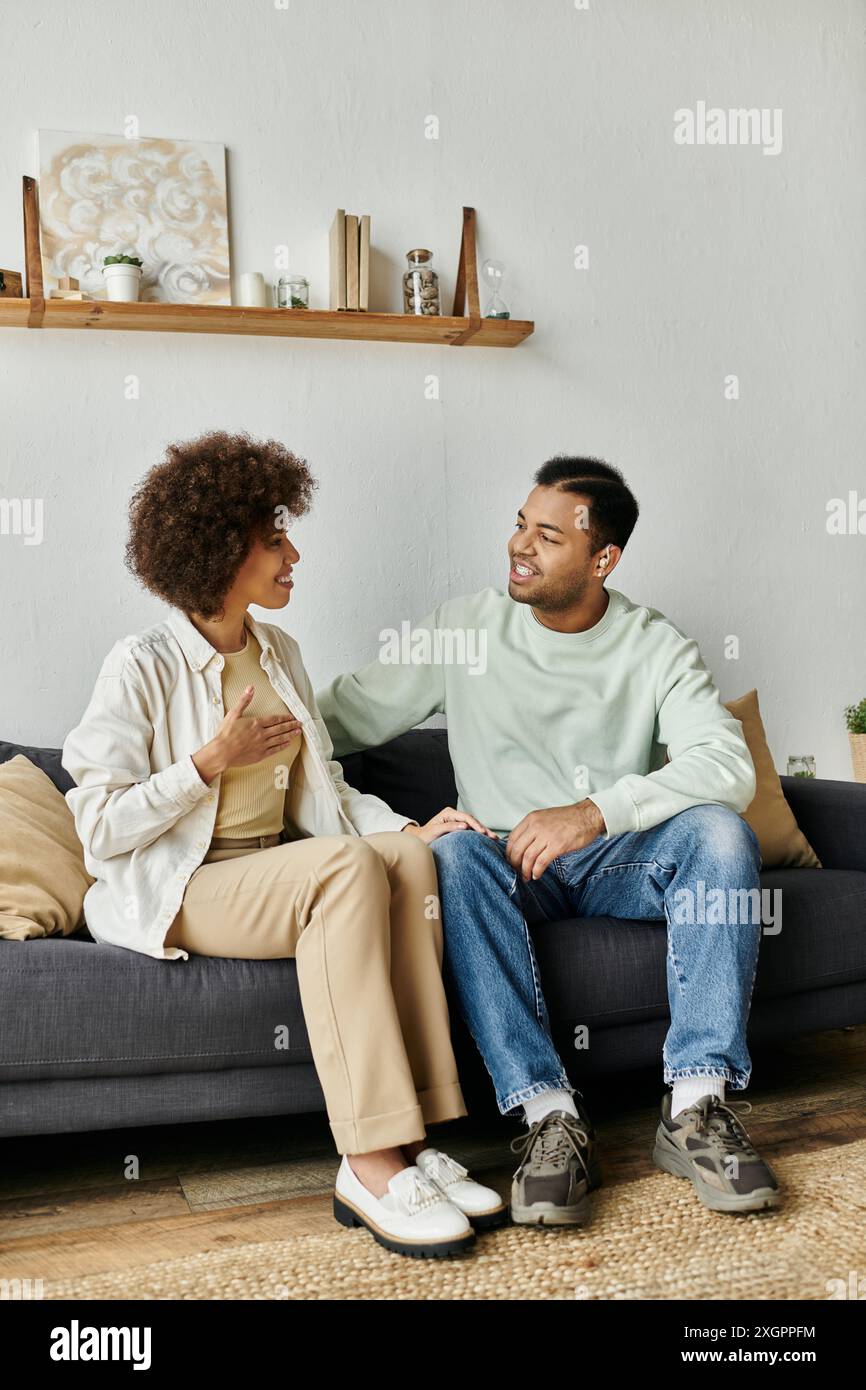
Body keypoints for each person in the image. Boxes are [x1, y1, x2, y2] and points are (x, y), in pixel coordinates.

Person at [61, 430, 506, 1260]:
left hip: (272, 869)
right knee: (342, 870)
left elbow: (327, 790)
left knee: (409, 861)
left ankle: (415, 1144)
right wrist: (206, 764)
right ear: (223, 551)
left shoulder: (280, 654)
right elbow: (98, 823)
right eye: (275, 539)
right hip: (181, 885)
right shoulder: (142, 664)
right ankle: (367, 1161)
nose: (294, 552)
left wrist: (408, 828)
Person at [317, 454, 783, 1226]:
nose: (519, 547)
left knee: (722, 836)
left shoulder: (653, 643)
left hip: (614, 859)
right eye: (518, 526)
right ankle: (549, 1117)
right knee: (452, 852)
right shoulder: (467, 629)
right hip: (501, 865)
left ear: (603, 558)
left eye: (546, 536)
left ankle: (696, 1106)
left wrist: (594, 811)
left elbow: (727, 765)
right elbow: (340, 716)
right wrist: (222, 741)